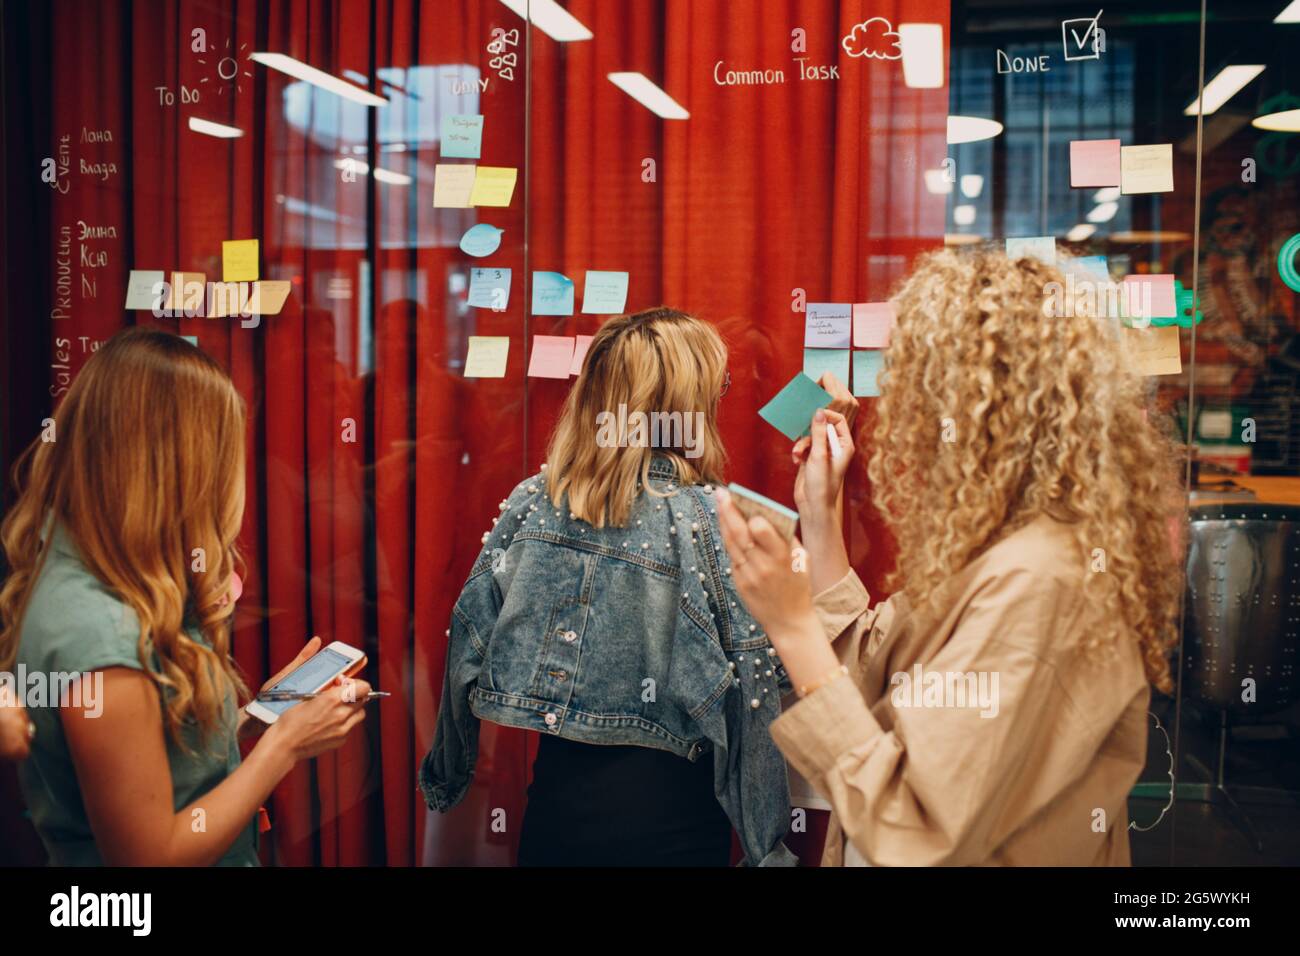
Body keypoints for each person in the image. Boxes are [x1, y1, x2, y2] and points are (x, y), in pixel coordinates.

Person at [717, 249, 1183, 866]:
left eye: (923, 389)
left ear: (986, 409)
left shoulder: (1040, 577)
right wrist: (821, 512)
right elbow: (876, 661)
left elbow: (909, 830)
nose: (912, 418)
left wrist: (792, 624)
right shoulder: (1020, 544)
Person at [423, 307, 820, 866]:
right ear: (686, 405)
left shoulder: (534, 501)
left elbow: (467, 629)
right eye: (717, 387)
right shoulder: (712, 522)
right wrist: (767, 847)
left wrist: (449, 766)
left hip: (554, 816)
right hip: (672, 824)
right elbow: (754, 690)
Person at [0, 328, 372, 865]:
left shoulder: (92, 565)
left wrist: (258, 718)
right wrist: (284, 744)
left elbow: (155, 765)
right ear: (180, 469)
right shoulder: (102, 641)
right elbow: (149, 855)